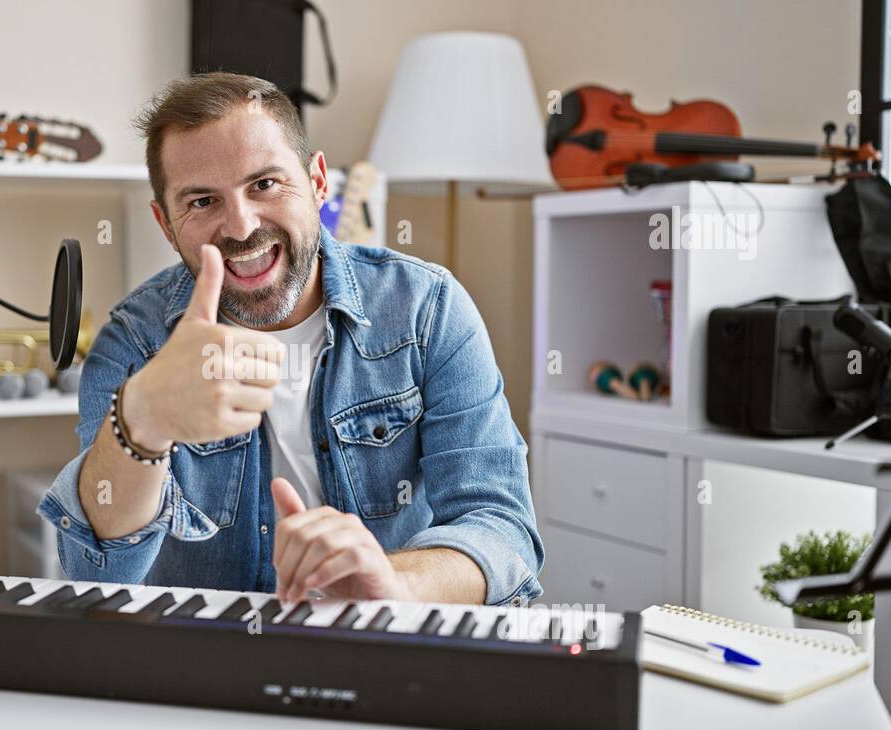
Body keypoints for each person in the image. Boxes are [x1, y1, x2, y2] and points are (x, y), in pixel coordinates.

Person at [39, 72, 543, 606]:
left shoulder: (428, 309)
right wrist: (140, 421)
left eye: (264, 184)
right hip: (210, 661)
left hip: (385, 638)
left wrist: (395, 583)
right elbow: (99, 570)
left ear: (318, 181)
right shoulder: (134, 342)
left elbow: (501, 528)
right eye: (203, 201)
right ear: (166, 225)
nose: (240, 226)